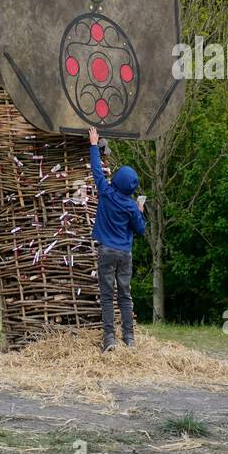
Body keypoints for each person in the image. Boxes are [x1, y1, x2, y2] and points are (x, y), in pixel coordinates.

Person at [87, 126, 146, 351]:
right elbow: (140, 230)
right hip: (124, 254)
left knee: (106, 295)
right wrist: (140, 212)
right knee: (125, 295)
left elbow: (96, 171)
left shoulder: (105, 192)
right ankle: (129, 339)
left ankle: (110, 339)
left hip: (106, 252)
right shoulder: (131, 206)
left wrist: (94, 145)